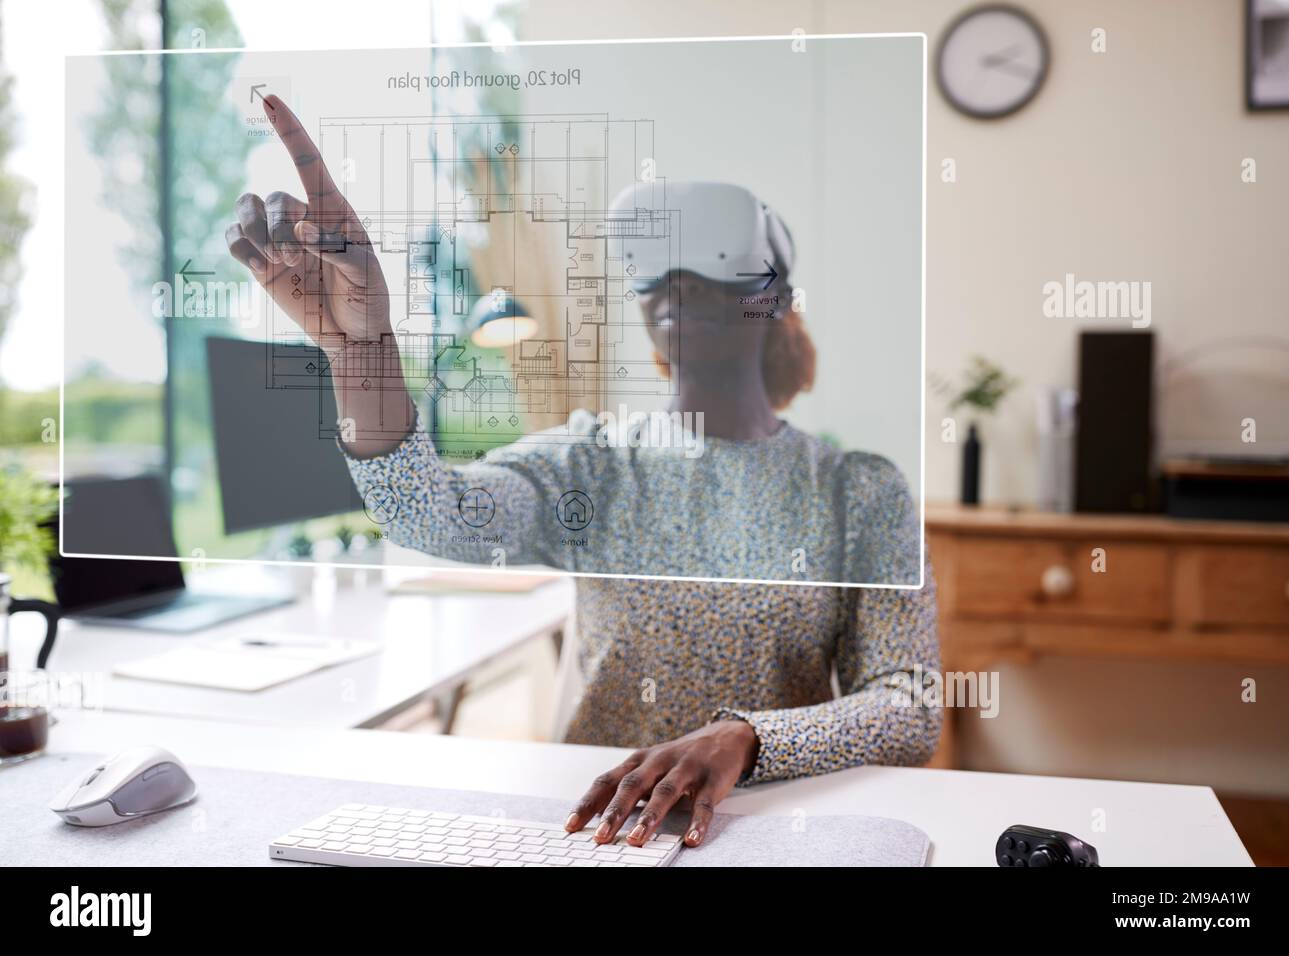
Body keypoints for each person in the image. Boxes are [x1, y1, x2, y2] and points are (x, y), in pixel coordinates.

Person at [227, 94, 940, 853]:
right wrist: (360, 349)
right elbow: (429, 512)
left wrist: (748, 738)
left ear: (771, 301)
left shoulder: (858, 490)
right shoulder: (594, 464)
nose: (678, 284)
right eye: (660, 274)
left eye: (713, 269)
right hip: (590, 832)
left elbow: (910, 701)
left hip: (765, 832)